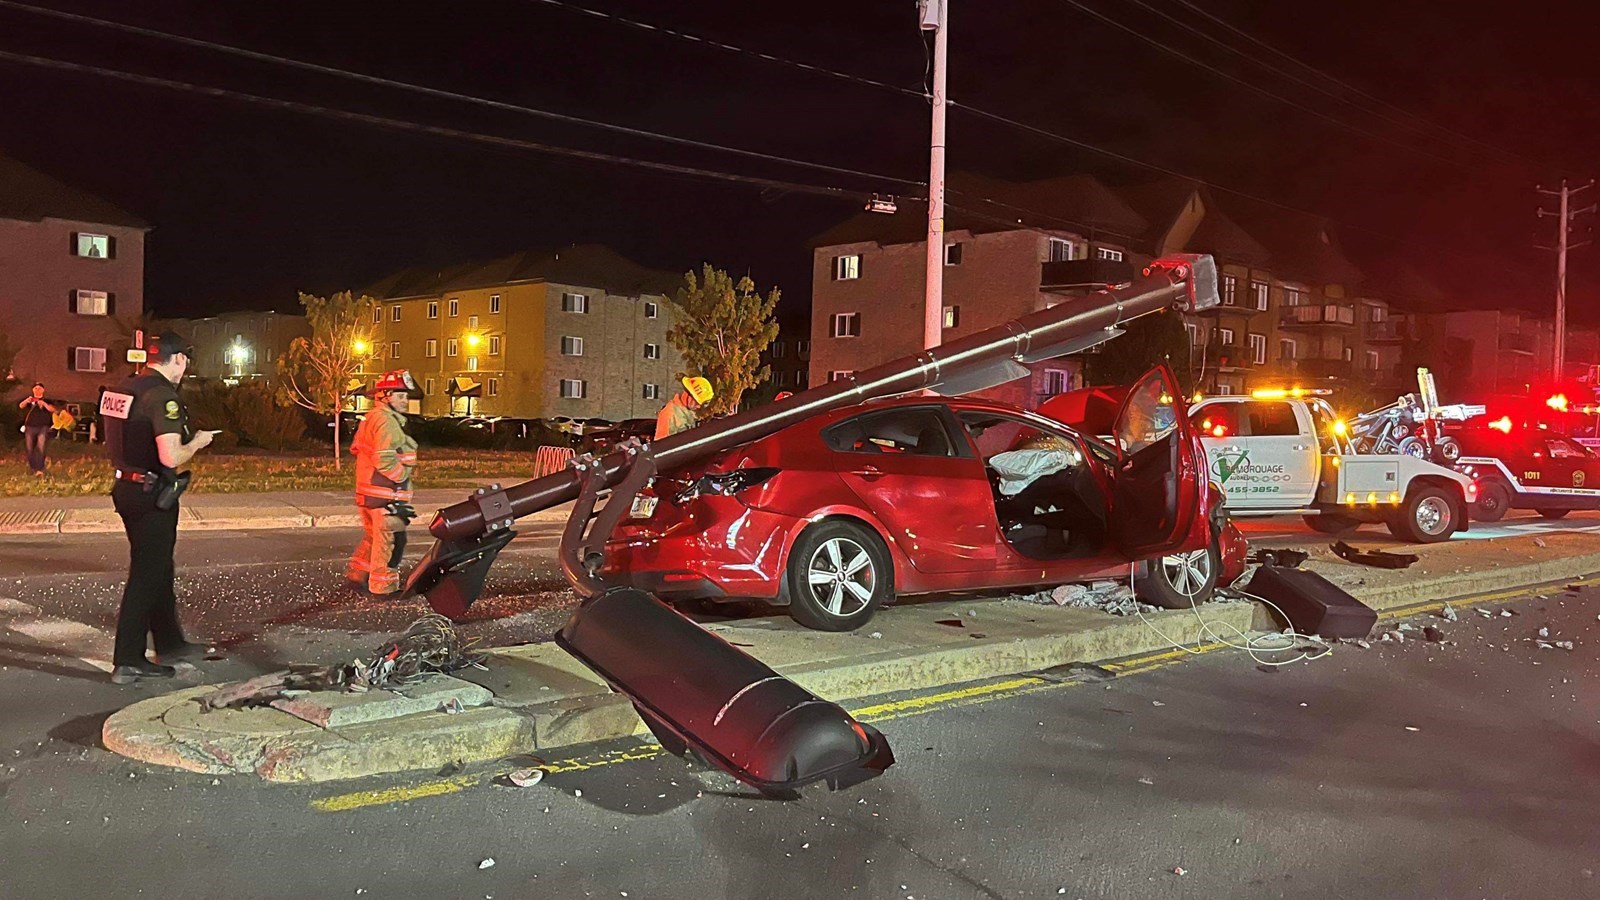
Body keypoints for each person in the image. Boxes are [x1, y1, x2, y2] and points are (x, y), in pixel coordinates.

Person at [101, 332, 219, 684]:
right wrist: (197, 442)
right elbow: (171, 454)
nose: (185, 369)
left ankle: (169, 642)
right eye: (185, 361)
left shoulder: (123, 388)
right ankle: (128, 659)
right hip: (152, 493)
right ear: (178, 359)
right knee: (147, 574)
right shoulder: (162, 395)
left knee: (158, 567)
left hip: (127, 485)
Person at [347, 369, 421, 598]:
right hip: (384, 494)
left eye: (405, 396)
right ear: (385, 396)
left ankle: (357, 574)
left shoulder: (372, 417)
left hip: (369, 492)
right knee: (388, 541)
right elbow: (384, 457)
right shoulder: (386, 422)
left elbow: (359, 449)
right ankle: (383, 587)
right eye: (400, 395)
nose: (405, 400)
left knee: (373, 537)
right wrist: (400, 478)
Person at [655, 375, 714, 439]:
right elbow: (660, 446)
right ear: (689, 394)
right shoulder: (668, 414)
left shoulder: (688, 412)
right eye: (697, 402)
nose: (699, 406)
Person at [18, 383, 55, 476]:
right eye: (35, 388)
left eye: (39, 388)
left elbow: (52, 409)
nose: (37, 390)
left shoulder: (47, 400)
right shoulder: (30, 401)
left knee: (40, 447)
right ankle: (33, 467)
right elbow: (21, 406)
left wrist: (44, 404)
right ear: (33, 390)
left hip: (43, 426)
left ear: (43, 390)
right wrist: (27, 401)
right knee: (29, 448)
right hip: (30, 427)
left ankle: (40, 468)